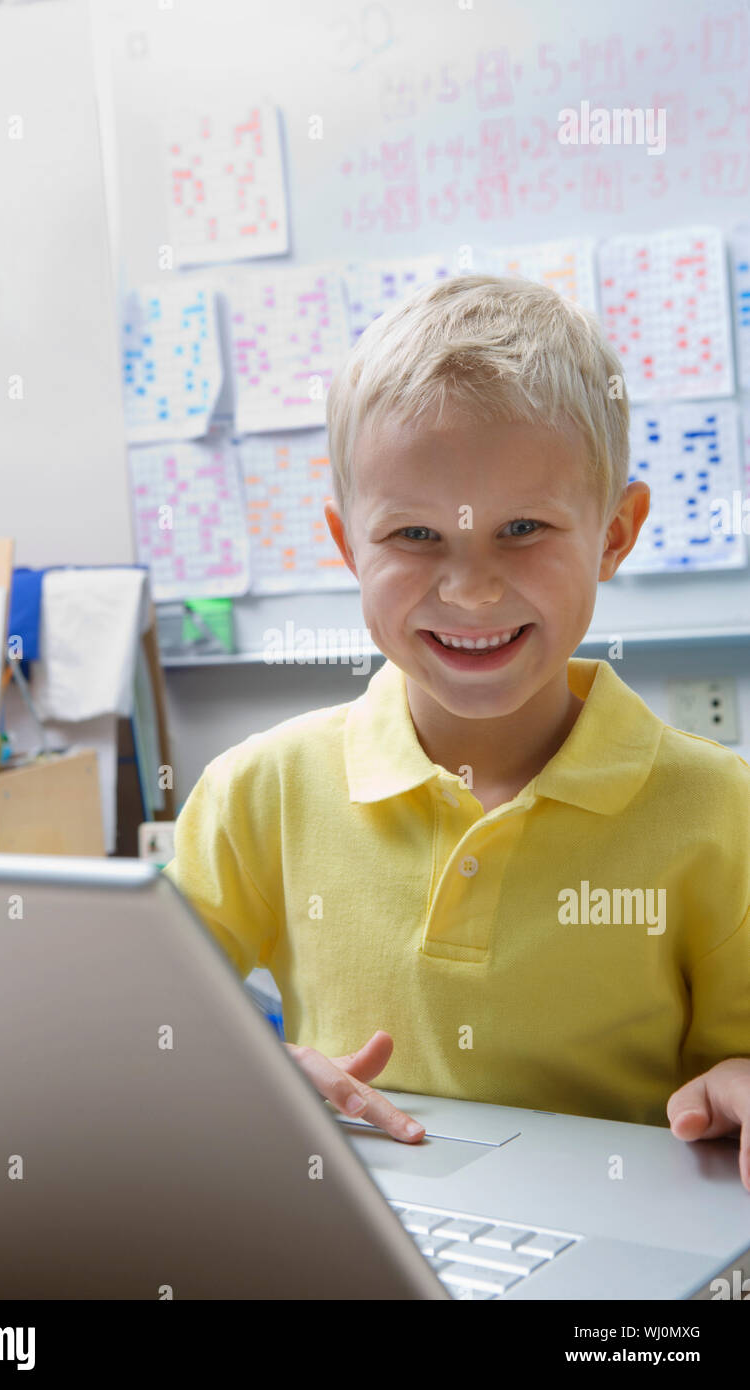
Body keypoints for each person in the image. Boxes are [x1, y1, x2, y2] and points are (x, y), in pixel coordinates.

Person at [166, 276, 750, 1189]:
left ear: (614, 533)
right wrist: (244, 1077)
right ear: (348, 544)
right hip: (353, 1246)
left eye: (523, 528)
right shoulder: (259, 791)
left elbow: (738, 1072)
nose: (471, 589)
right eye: (414, 535)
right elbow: (142, 1035)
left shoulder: (722, 812)